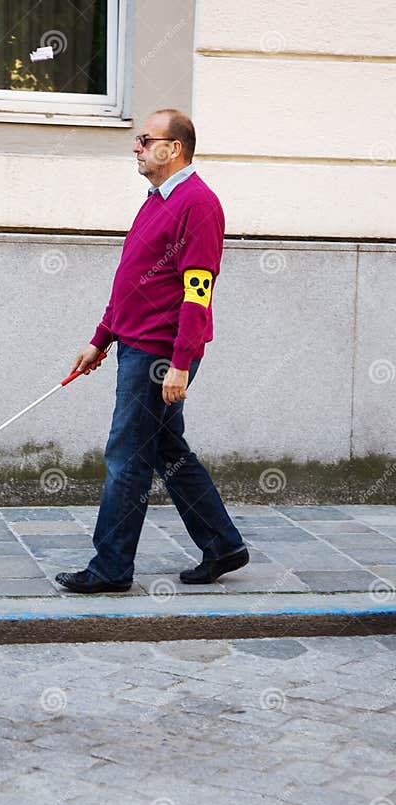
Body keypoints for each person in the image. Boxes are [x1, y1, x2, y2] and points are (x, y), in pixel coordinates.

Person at [56, 109, 248, 594]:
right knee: (167, 451)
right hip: (136, 347)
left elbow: (197, 291)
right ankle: (223, 544)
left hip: (160, 355)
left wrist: (181, 362)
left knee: (126, 457)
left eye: (145, 139)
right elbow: (134, 282)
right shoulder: (156, 200)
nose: (136, 147)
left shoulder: (198, 204)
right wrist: (100, 338)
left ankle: (111, 568)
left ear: (175, 148)